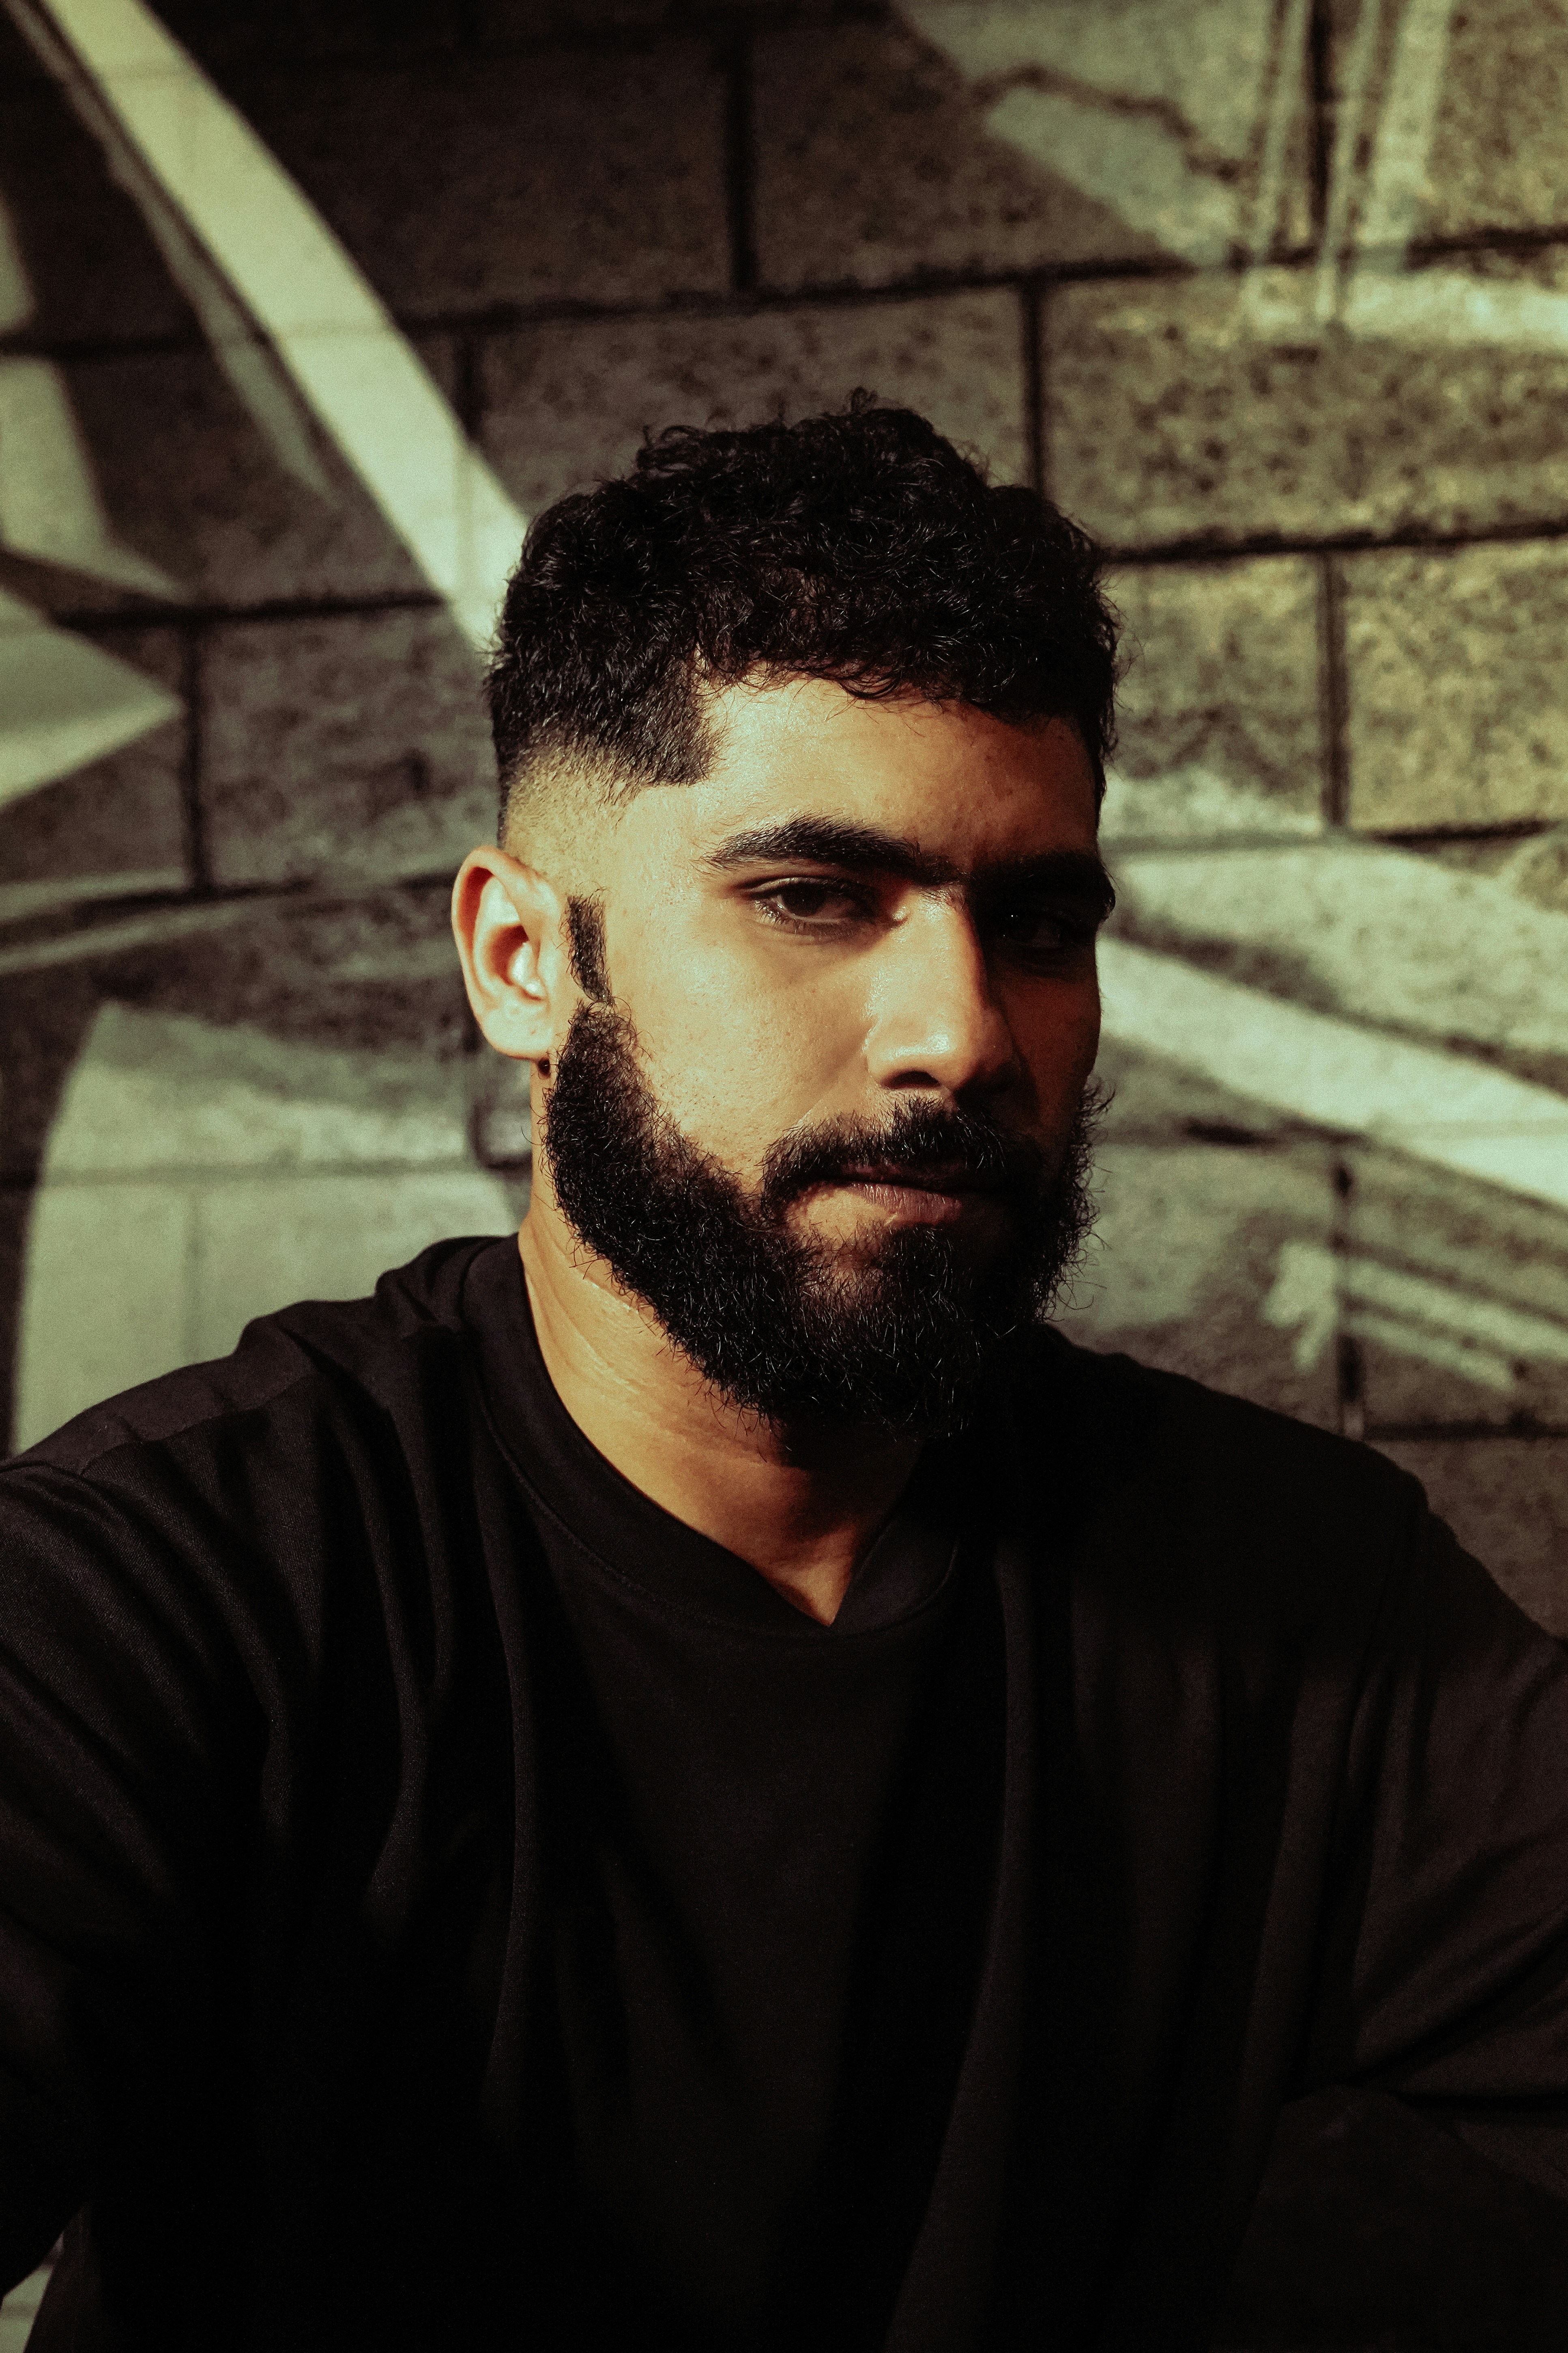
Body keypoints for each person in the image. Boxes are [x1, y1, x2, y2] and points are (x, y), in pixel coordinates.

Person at [1, 399, 1566, 2353]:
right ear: (519, 959)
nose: (961, 1032)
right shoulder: (175, 1591)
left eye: (1037, 920)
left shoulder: (1305, 1599)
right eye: (813, 897)